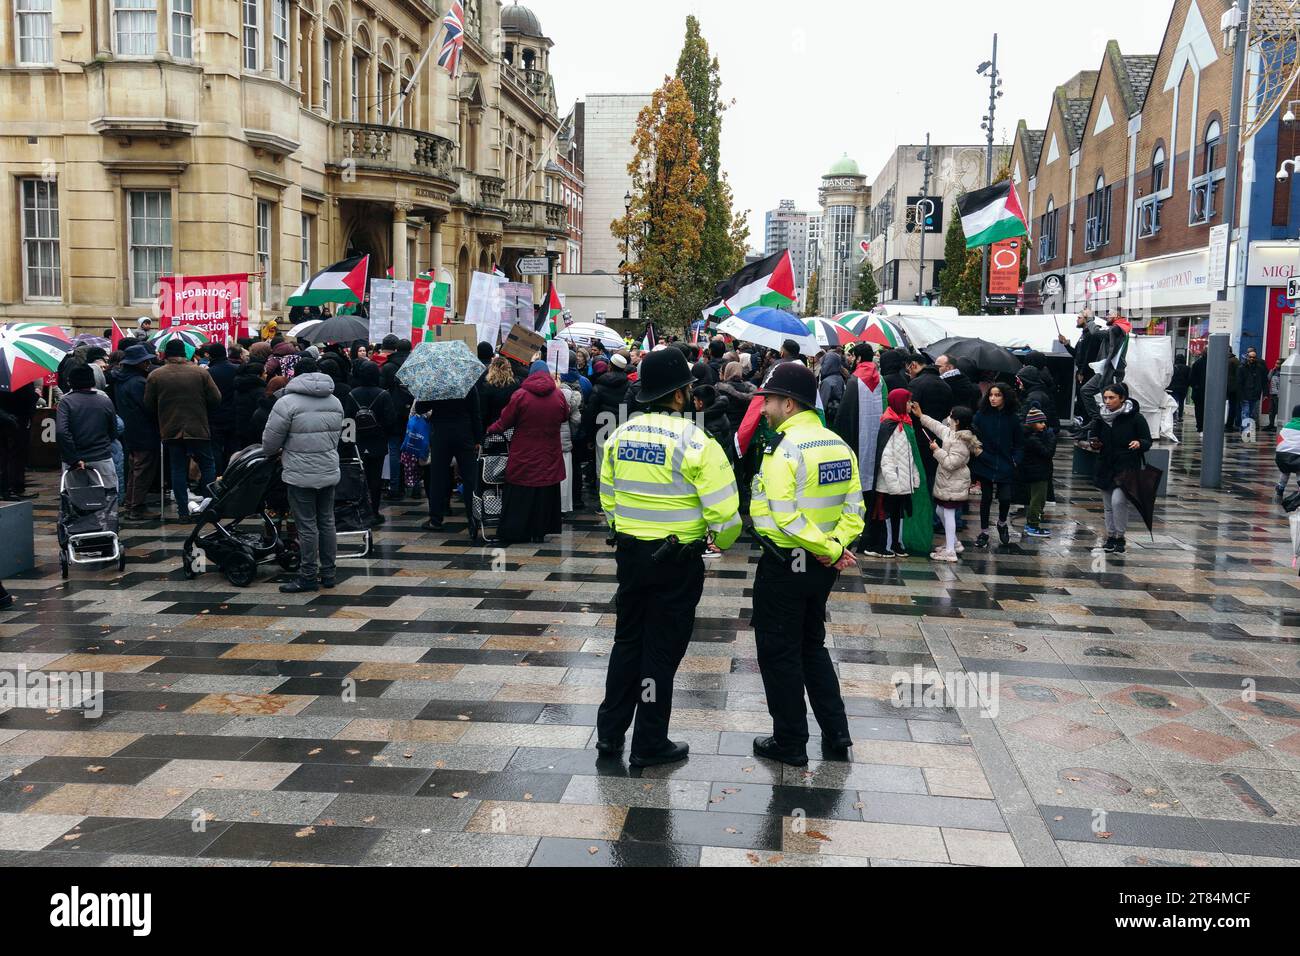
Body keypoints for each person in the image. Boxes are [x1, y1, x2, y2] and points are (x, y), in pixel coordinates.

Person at [596, 348, 741, 767]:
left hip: (631, 554)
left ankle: (610, 734)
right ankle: (649, 743)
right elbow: (725, 512)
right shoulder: (697, 441)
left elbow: (608, 497)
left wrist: (625, 530)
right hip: (677, 560)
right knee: (660, 652)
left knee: (627, 642)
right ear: (679, 395)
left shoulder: (621, 435)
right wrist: (721, 541)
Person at [747, 363, 863, 766]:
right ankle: (837, 731)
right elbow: (855, 510)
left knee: (779, 653)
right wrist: (834, 546)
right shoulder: (838, 444)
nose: (763, 409)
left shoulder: (785, 449)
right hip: (820, 568)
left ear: (790, 404)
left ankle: (790, 741)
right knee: (811, 646)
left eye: (769, 401)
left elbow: (785, 516)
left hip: (785, 565)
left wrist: (826, 548)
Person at [261, 359, 345, 593]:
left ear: (295, 376)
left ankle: (308, 575)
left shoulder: (286, 402)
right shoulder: (335, 401)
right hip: (328, 468)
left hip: (300, 472)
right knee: (327, 522)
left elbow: (270, 443)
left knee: (307, 525)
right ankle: (329, 573)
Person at [486, 361, 567, 545]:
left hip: (524, 453)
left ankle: (516, 531)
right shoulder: (558, 395)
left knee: (521, 493)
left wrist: (490, 430)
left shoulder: (520, 395)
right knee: (544, 493)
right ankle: (540, 531)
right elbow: (564, 416)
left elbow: (505, 421)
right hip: (550, 454)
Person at [144, 339, 221, 522]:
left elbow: (148, 404)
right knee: (207, 465)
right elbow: (216, 398)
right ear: (184, 354)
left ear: (166, 355)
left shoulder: (156, 375)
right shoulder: (200, 373)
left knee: (177, 468)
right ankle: (209, 507)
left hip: (171, 427)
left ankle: (183, 512)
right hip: (198, 426)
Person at [1086, 382, 1151, 555]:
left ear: (1122, 399)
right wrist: (1094, 442)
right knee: (1108, 505)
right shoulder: (1101, 417)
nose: (1107, 401)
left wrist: (1139, 443)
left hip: (1127, 466)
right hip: (1106, 465)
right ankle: (1111, 536)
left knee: (1118, 501)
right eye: (1105, 397)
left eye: (1111, 398)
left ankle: (1120, 536)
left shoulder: (1135, 418)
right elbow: (1094, 437)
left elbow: (1147, 440)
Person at [417, 373, 484, 535]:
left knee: (438, 477)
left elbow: (420, 408)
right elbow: (476, 413)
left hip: (441, 434)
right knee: (469, 478)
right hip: (464, 433)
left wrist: (425, 390)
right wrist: (478, 438)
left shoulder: (436, 385)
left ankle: (435, 519)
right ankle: (473, 519)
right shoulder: (468, 384)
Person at [914, 403, 980, 563]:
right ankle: (954, 543)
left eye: (950, 416)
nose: (947, 418)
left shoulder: (961, 442)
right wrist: (921, 416)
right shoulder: (952, 433)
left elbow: (951, 463)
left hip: (954, 483)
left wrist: (937, 450)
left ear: (956, 421)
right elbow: (937, 426)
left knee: (948, 513)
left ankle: (950, 551)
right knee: (940, 511)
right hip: (947, 482)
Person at [833, 344, 885, 547]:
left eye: (853, 355)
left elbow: (845, 416)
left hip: (855, 438)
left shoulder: (855, 380)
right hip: (875, 438)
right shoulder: (880, 379)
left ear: (858, 357)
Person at [867, 389, 923, 558]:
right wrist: (893, 483)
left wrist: (914, 475)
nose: (910, 405)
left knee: (898, 514)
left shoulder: (906, 423)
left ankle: (896, 543)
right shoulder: (888, 424)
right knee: (884, 514)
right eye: (907, 402)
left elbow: (911, 454)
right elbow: (886, 458)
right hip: (888, 484)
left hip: (903, 483)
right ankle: (881, 545)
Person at [344, 361, 396, 526]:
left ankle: (360, 509)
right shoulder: (383, 394)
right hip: (377, 441)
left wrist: (348, 442)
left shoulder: (352, 394)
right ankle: (374, 511)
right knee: (375, 478)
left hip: (358, 442)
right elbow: (390, 420)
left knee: (359, 477)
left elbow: (347, 421)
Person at [112, 345, 161, 522]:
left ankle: (132, 502)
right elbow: (148, 407)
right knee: (143, 469)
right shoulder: (138, 383)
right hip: (144, 431)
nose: (148, 363)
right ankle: (136, 507)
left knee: (135, 468)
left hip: (130, 429)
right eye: (145, 361)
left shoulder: (120, 379)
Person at [971, 384, 1023, 548]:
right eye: (991, 395)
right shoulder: (981, 415)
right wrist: (976, 450)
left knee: (1005, 498)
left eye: (997, 395)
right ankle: (984, 531)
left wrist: (1015, 460)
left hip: (1005, 463)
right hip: (985, 461)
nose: (993, 398)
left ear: (1005, 397)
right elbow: (971, 433)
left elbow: (1019, 443)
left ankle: (1001, 523)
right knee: (986, 498)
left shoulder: (1013, 418)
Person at [56, 364, 119, 496]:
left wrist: (73, 458)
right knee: (106, 499)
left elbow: (62, 432)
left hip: (74, 461)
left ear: (70, 382)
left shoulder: (66, 402)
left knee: (76, 501)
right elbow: (113, 430)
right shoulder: (105, 401)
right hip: (101, 457)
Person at [906, 355, 954, 492]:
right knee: (934, 472)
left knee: (921, 473)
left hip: (918, 434)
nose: (908, 372)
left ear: (914, 364)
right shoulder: (945, 385)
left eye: (908, 368)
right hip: (939, 434)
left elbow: (910, 410)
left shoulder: (915, 384)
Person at [1078, 313, 1128, 429]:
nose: (1107, 316)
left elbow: (1096, 333)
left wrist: (1090, 319)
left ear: (1117, 316)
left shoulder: (1117, 329)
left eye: (1109, 314)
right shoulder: (1115, 328)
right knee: (1086, 391)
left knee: (1109, 400)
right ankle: (1097, 420)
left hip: (1111, 372)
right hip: (1105, 370)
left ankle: (1107, 426)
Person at [1020, 407, 1058, 538]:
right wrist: (1052, 437)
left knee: (1037, 499)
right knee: (1038, 499)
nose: (1044, 425)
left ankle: (1031, 524)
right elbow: (1048, 452)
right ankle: (1033, 525)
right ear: (1032, 424)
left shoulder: (1031, 436)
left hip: (1036, 472)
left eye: (1044, 422)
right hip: (1038, 473)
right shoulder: (1032, 439)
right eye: (1040, 422)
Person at [1060, 310, 1101, 425]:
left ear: (1086, 319)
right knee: (1081, 399)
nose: (1077, 320)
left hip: (1087, 372)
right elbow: (1077, 354)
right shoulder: (1083, 335)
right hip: (1081, 371)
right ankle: (1085, 425)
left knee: (1084, 398)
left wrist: (1082, 372)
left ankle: (1089, 426)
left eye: (1079, 318)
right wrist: (1066, 344)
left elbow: (1089, 356)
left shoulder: (1091, 335)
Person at [0, 381, 39, 501]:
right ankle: (14, 486)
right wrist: (36, 394)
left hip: (3, 418)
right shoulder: (20, 378)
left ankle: (5, 487)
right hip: (17, 420)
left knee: (4, 453)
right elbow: (27, 398)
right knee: (17, 454)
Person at [204, 343, 239, 471]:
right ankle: (231, 476)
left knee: (215, 450)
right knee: (232, 449)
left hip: (214, 416)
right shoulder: (237, 369)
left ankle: (218, 477)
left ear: (211, 356)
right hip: (234, 415)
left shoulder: (209, 373)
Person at [1237, 348, 1267, 436]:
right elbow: (1239, 383)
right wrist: (1240, 395)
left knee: (1251, 413)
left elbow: (1264, 381)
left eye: (1253, 357)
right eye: (1250, 357)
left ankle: (1245, 428)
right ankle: (1246, 430)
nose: (1252, 359)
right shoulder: (1242, 368)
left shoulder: (1260, 368)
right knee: (1246, 412)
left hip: (1255, 394)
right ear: (1247, 357)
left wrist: (1265, 393)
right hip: (1245, 394)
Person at [1275, 404, 1300, 497]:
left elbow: (1280, 440)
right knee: (1299, 470)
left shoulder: (1286, 426)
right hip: (1297, 458)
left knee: (1285, 471)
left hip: (1281, 457)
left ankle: (1281, 487)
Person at [817, 351, 847, 424]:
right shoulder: (840, 378)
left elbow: (822, 405)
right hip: (838, 416)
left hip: (828, 419)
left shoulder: (827, 382)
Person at [1190, 351, 1209, 433]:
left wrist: (1195, 386)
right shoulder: (1214, 364)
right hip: (1209, 392)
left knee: (1198, 410)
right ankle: (1206, 426)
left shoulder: (1197, 363)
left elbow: (1191, 378)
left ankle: (1200, 426)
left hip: (1198, 392)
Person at [1226, 352, 1241, 434]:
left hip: (1231, 388)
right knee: (1233, 406)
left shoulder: (1230, 361)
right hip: (1232, 388)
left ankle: (1230, 424)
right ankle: (1230, 423)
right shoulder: (1234, 360)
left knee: (1233, 407)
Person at [1268, 360, 1283, 430]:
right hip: (1272, 393)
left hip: (1278, 395)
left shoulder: (1282, 372)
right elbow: (1268, 378)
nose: (1276, 365)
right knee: (1271, 410)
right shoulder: (1274, 371)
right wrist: (1272, 370)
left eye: (1278, 364)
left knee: (1278, 410)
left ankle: (1278, 425)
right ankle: (1271, 424)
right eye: (1276, 363)